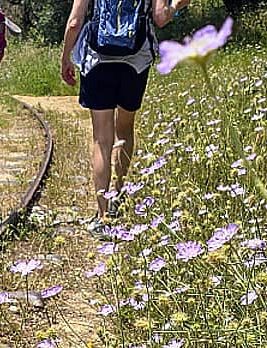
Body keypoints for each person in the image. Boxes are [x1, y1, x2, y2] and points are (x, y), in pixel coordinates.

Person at [61, 0, 186, 226]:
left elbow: (74, 22)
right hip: (136, 61)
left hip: (97, 60)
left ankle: (102, 215)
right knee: (125, 130)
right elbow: (160, 17)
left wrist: (65, 58)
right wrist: (177, 5)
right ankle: (117, 196)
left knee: (101, 139)